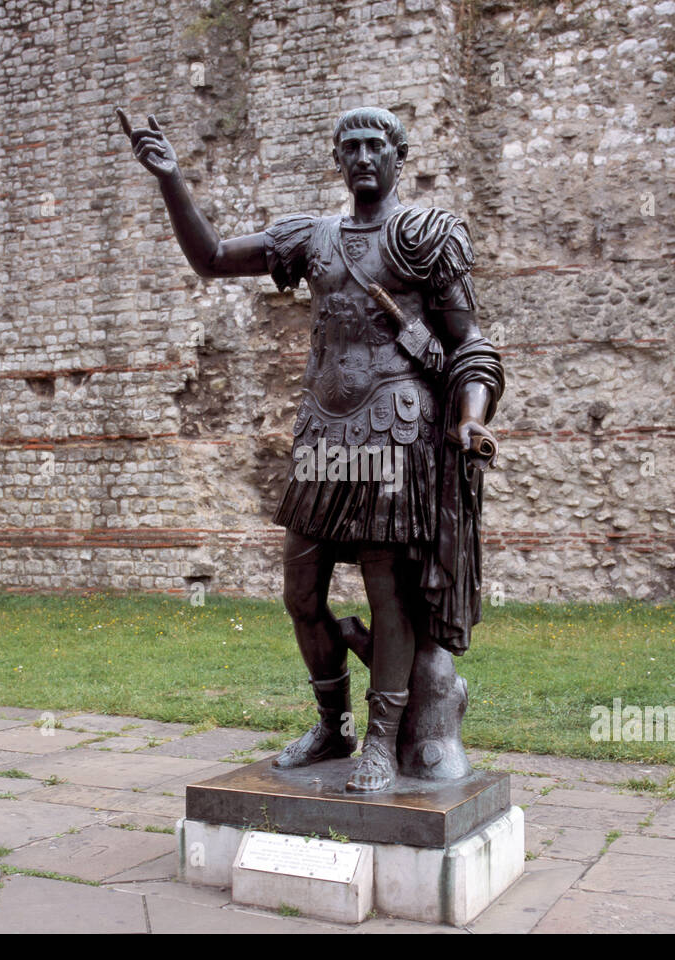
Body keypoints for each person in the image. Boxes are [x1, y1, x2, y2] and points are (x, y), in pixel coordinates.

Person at [117, 105, 504, 791]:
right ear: (337, 157)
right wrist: (172, 180)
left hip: (397, 426)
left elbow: (469, 343)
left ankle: (383, 743)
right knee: (301, 590)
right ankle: (334, 723)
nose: (361, 157)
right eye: (349, 146)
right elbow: (211, 259)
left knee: (389, 592)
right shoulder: (313, 237)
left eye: (374, 146)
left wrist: (471, 417)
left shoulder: (426, 235)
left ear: (397, 155)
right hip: (325, 430)